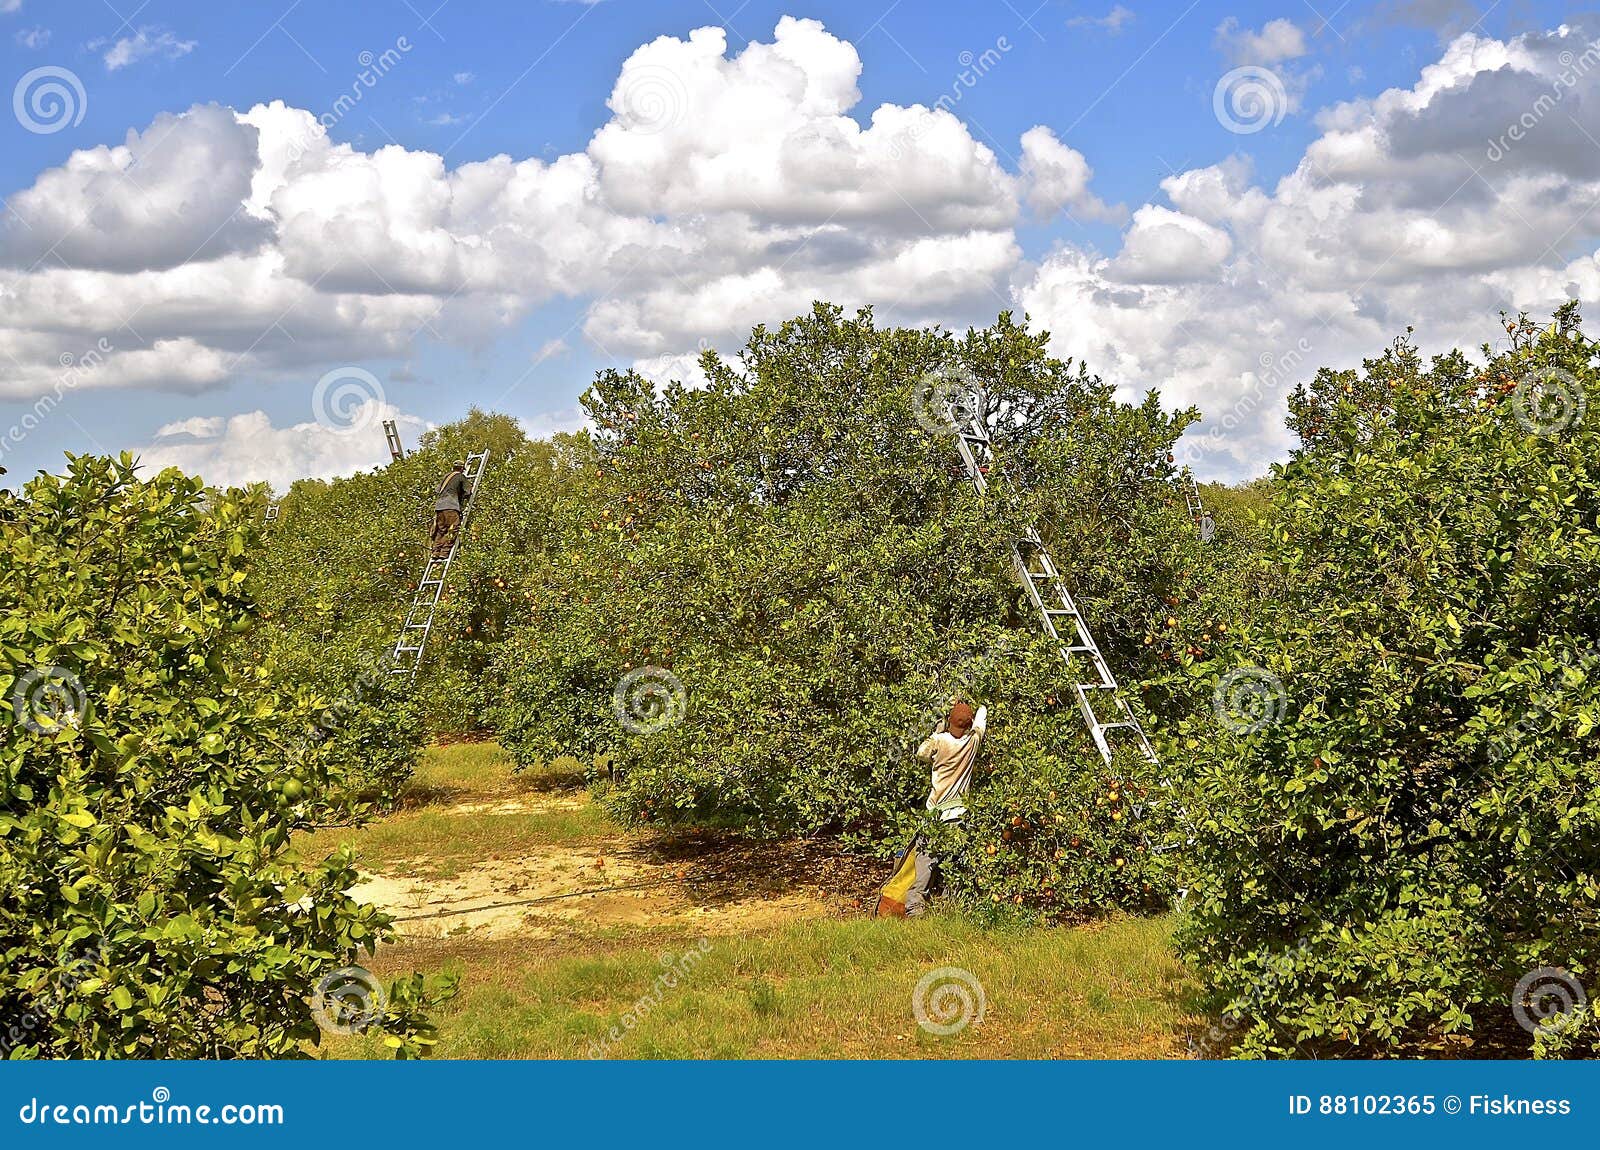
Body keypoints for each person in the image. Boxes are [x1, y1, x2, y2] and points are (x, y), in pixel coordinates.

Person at [876, 699, 988, 918]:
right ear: (969, 724)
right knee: (953, 866)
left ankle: (914, 910)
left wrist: (937, 731)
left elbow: (921, 753)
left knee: (924, 865)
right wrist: (978, 707)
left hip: (934, 817)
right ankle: (950, 908)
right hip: (958, 817)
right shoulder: (973, 742)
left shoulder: (939, 741)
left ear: (949, 722)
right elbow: (981, 720)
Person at [430, 462, 472, 559]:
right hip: (451, 506)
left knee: (441, 530)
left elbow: (437, 490)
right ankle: (444, 552)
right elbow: (468, 492)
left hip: (439, 507)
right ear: (462, 469)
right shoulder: (461, 477)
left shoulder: (446, 476)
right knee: (453, 529)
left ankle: (435, 552)